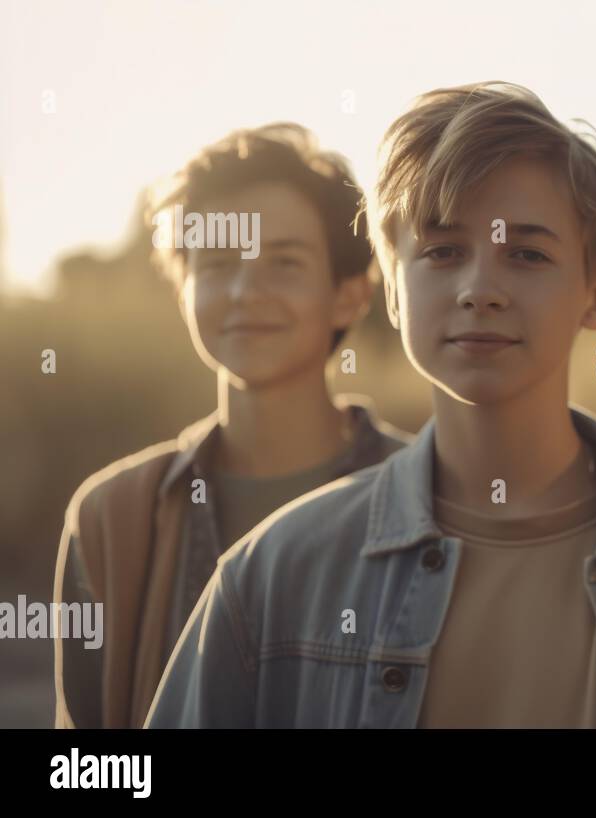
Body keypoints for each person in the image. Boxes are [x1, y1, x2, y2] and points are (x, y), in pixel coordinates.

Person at [146, 82, 596, 729]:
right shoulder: (278, 569)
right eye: (443, 252)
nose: (479, 288)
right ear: (394, 293)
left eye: (527, 254)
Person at [53, 123, 411, 728]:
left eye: (284, 262)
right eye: (218, 263)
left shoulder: (430, 496)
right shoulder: (113, 517)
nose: (246, 290)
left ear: (350, 294)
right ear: (182, 287)